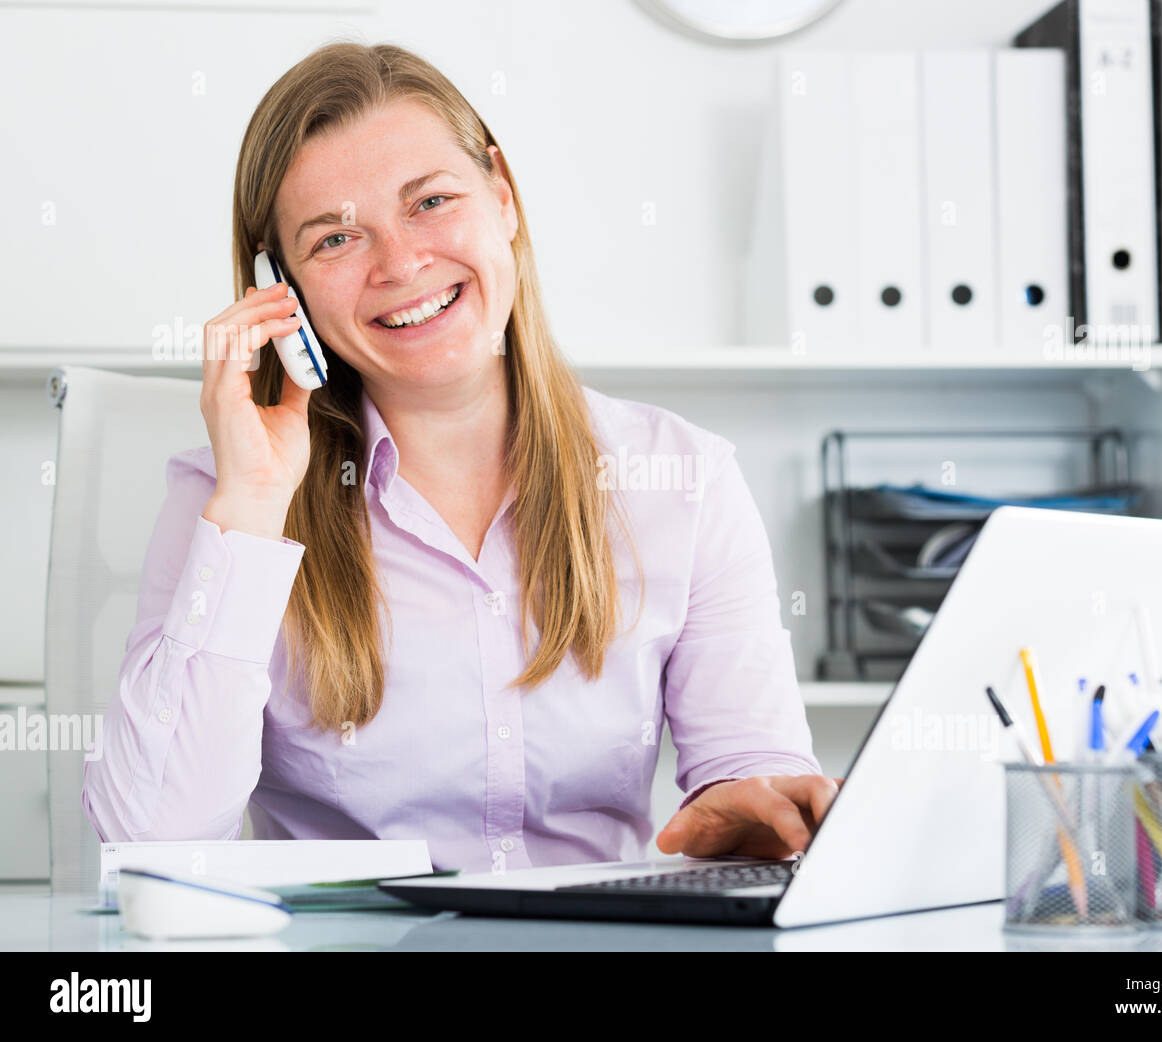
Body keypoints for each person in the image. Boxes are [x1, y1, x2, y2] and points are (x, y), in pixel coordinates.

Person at [82, 41, 840, 873]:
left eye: (431, 201)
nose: (401, 264)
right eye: (335, 239)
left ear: (503, 197)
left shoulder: (683, 481)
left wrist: (758, 807)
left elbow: (753, 779)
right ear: (281, 288)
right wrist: (253, 509)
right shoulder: (224, 503)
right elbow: (152, 846)